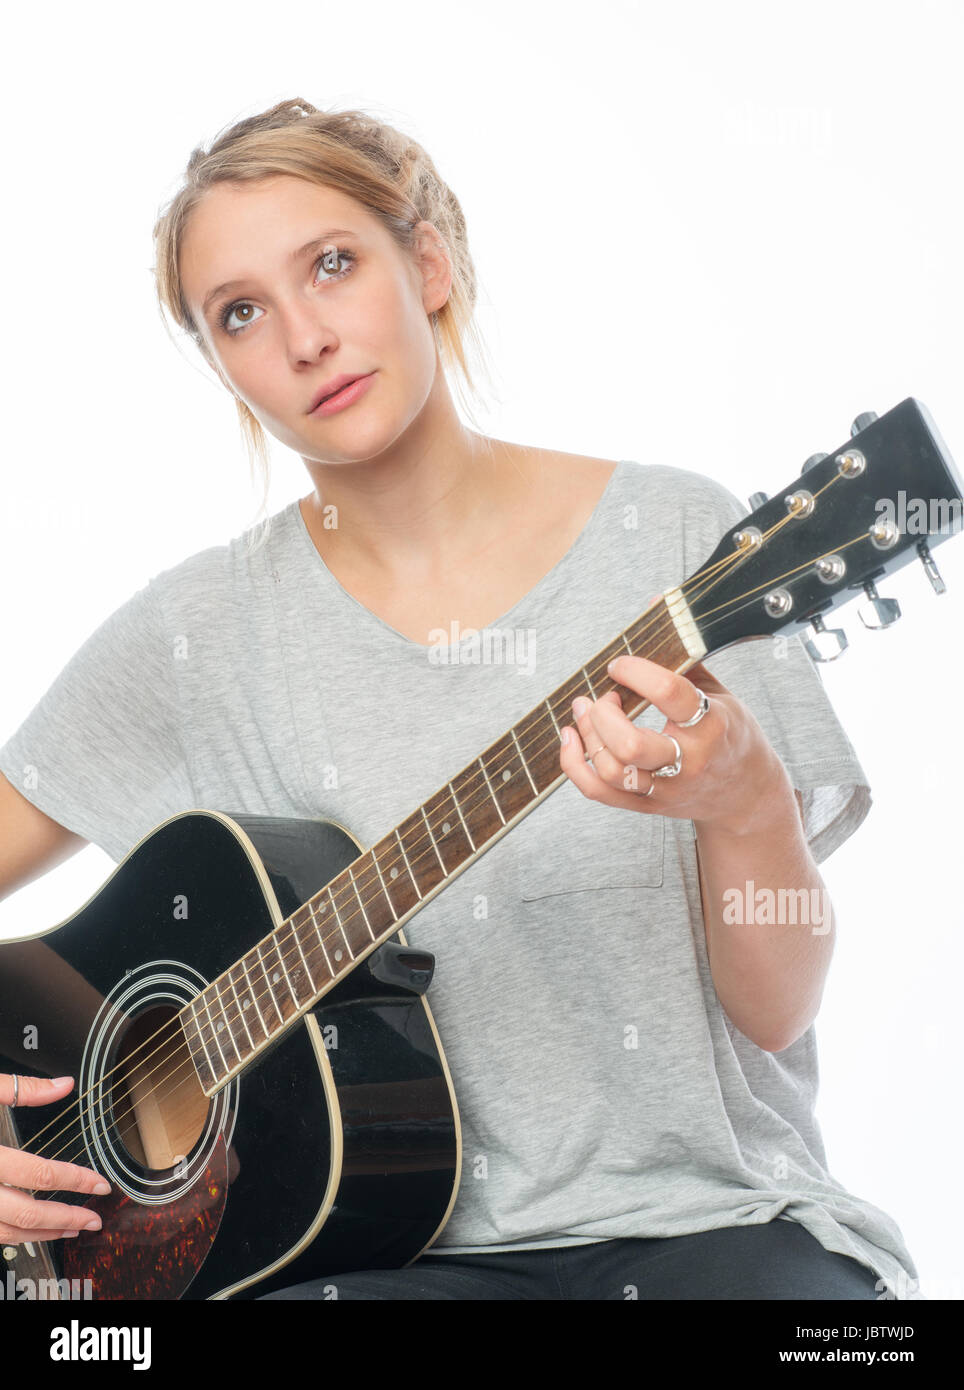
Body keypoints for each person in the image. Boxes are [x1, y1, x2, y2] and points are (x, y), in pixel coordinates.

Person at [0, 97, 919, 1301]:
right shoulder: (195, 633)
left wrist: (748, 805)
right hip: (363, 1261)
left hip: (713, 1227)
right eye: (240, 313)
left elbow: (772, 1011)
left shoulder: (677, 545)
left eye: (332, 265)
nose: (304, 338)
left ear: (427, 262)